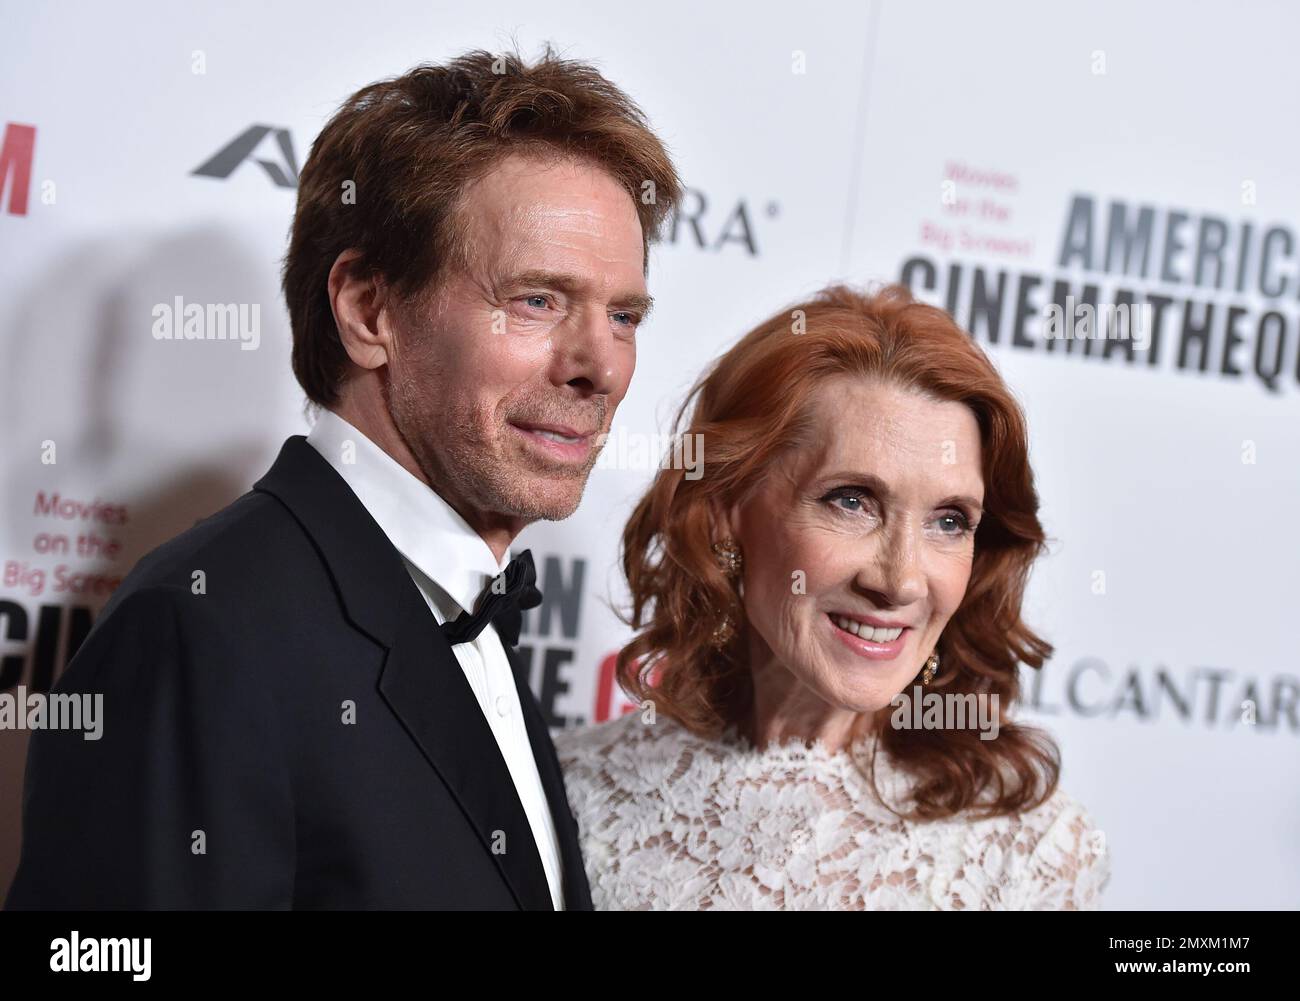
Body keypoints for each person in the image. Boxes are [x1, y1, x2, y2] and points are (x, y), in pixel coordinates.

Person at [6, 47, 681, 909]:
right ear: (369, 310)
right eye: (537, 300)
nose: (602, 367)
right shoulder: (199, 633)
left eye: (622, 315)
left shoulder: (471, 611)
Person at [556, 284, 1112, 910]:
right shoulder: (571, 795)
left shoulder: (1030, 854)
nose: (900, 581)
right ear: (724, 511)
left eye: (949, 521)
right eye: (852, 501)